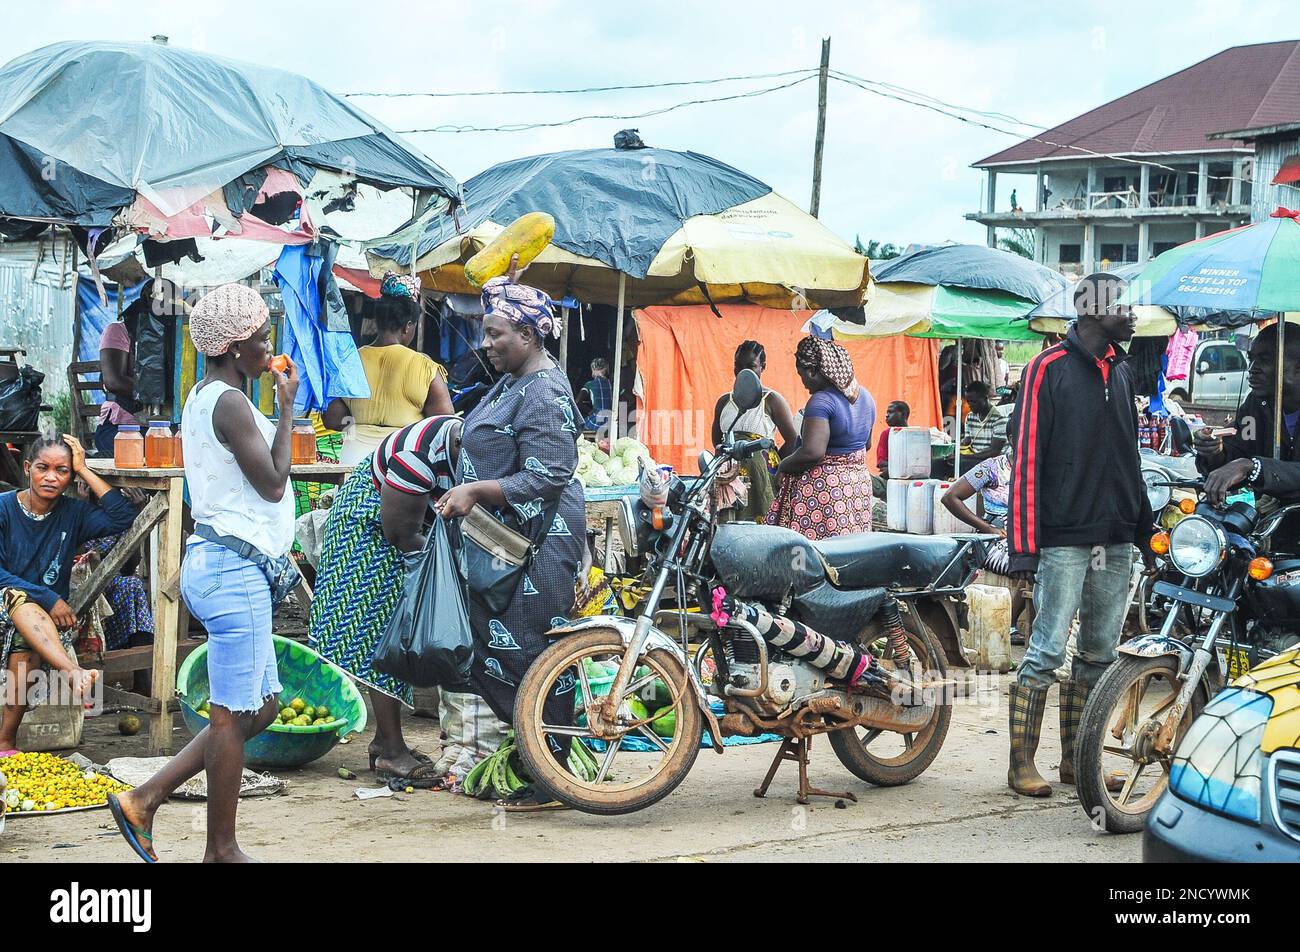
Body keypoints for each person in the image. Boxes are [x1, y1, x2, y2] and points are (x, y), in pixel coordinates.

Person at [109, 283, 299, 863]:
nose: (269, 348)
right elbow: (271, 483)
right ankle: (221, 849)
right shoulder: (230, 401)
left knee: (259, 708)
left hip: (228, 566)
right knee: (228, 715)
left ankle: (148, 794)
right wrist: (288, 407)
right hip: (232, 569)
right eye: (261, 338)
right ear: (236, 346)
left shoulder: (205, 395)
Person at [434, 273, 587, 811]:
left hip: (543, 542)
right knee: (497, 647)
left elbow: (550, 472)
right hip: (505, 541)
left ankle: (552, 775)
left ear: (528, 334)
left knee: (532, 651)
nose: (485, 343)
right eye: (485, 331)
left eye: (496, 333)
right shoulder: (511, 380)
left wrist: (476, 489)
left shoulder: (544, 389)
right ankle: (536, 760)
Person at [1004, 273, 1155, 798]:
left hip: (1113, 536)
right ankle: (1020, 764)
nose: (1133, 314)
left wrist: (1144, 529)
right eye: (1123, 305)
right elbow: (1025, 460)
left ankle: (1076, 760)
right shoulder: (1046, 369)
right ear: (1092, 311)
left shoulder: (1122, 369)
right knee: (1045, 652)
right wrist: (1022, 548)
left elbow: (1129, 457)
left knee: (1098, 655)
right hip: (1063, 538)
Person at [309, 414, 504, 785]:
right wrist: (442, 579)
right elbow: (400, 533)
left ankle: (385, 742)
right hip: (369, 531)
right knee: (386, 630)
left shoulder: (471, 446)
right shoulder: (417, 456)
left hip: (410, 531)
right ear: (461, 448)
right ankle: (391, 752)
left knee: (399, 625)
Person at [0, 435, 134, 754]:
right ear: (28, 468)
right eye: (43, 468)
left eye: (61, 471)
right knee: (20, 599)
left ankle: (5, 743)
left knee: (25, 634)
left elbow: (122, 517)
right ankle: (72, 674)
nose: (51, 477)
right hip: (8, 600)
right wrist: (48, 597)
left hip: (41, 622)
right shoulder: (4, 508)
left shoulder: (73, 513)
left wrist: (84, 469)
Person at [324, 273, 453, 466]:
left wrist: (360, 423)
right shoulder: (425, 367)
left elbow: (332, 419)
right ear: (407, 327)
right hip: (402, 462)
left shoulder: (349, 362)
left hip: (353, 460)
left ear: (377, 321)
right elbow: (444, 425)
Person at [768, 336, 876, 540]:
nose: (803, 382)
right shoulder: (866, 397)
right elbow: (866, 445)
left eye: (801, 374)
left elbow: (812, 452)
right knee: (851, 550)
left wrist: (782, 466)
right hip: (858, 487)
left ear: (812, 371)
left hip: (827, 490)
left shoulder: (821, 401)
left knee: (818, 555)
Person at [939, 450, 1030, 645]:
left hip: (1025, 536)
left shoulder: (1036, 464)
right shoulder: (990, 468)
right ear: (1012, 439)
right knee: (1029, 562)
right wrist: (987, 527)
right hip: (994, 539)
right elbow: (950, 497)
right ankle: (1008, 623)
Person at [1193, 322, 1300, 484]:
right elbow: (1241, 451)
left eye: (1265, 360)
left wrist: (1255, 467)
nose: (1252, 369)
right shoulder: (1256, 405)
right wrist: (1215, 451)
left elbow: (1249, 466)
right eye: (1251, 359)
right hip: (1272, 509)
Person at [94, 279, 187, 458]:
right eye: (162, 299)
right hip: (122, 428)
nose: (167, 306)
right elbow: (113, 381)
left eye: (173, 302)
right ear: (146, 298)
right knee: (153, 453)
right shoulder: (119, 330)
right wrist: (161, 394)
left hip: (164, 430)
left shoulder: (177, 337)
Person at [710, 341, 798, 523]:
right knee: (728, 524)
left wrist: (774, 465)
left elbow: (792, 440)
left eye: (751, 366)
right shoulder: (724, 402)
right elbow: (717, 441)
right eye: (738, 366)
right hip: (729, 477)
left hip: (761, 478)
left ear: (762, 367)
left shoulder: (772, 400)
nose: (743, 372)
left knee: (760, 526)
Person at [961, 381, 1009, 464]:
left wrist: (965, 457)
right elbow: (967, 441)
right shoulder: (970, 417)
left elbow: (994, 452)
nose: (970, 405)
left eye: (974, 401)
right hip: (974, 459)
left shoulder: (1000, 419)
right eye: (968, 402)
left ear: (985, 398)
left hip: (993, 463)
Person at [579, 357, 614, 431]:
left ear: (593, 369)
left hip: (597, 421)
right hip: (611, 421)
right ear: (605, 369)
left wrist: (589, 411)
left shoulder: (589, 384)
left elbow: (577, 401)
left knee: (580, 426)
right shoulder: (612, 383)